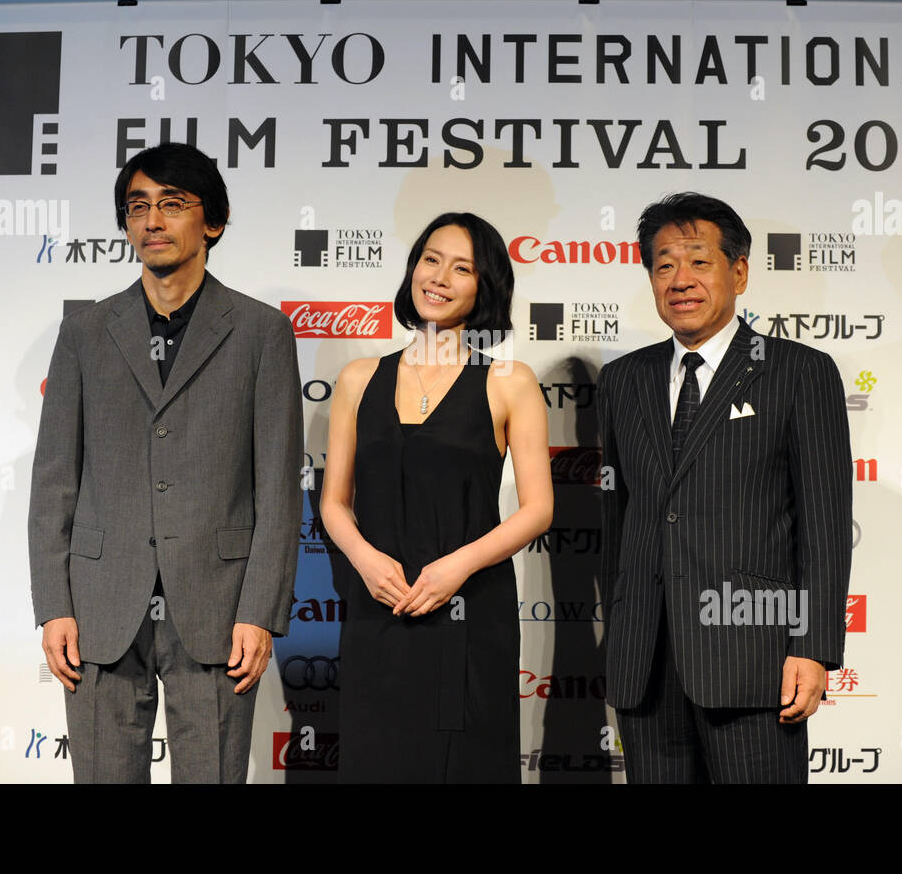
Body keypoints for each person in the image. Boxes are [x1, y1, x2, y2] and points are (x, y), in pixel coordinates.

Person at [28, 142, 303, 783]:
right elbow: (53, 482)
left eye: (171, 204)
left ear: (213, 221)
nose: (152, 221)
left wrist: (260, 612)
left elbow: (278, 489)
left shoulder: (263, 333)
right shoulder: (86, 332)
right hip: (99, 607)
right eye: (137, 207)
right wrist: (54, 606)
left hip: (218, 605)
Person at [597, 192, 851, 784]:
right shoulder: (623, 380)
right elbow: (618, 521)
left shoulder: (799, 371)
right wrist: (621, 639)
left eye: (698, 261)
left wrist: (812, 646)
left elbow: (825, 523)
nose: (679, 280)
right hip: (646, 666)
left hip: (754, 663)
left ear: (739, 271)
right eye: (663, 265)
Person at [320, 211, 553, 783]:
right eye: (431, 259)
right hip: (379, 604)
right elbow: (333, 501)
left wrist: (458, 566)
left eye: (461, 268)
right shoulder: (359, 377)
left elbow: (539, 508)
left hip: (469, 613)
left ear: (484, 287)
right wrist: (365, 560)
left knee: (466, 763)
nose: (440, 278)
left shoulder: (509, 381)